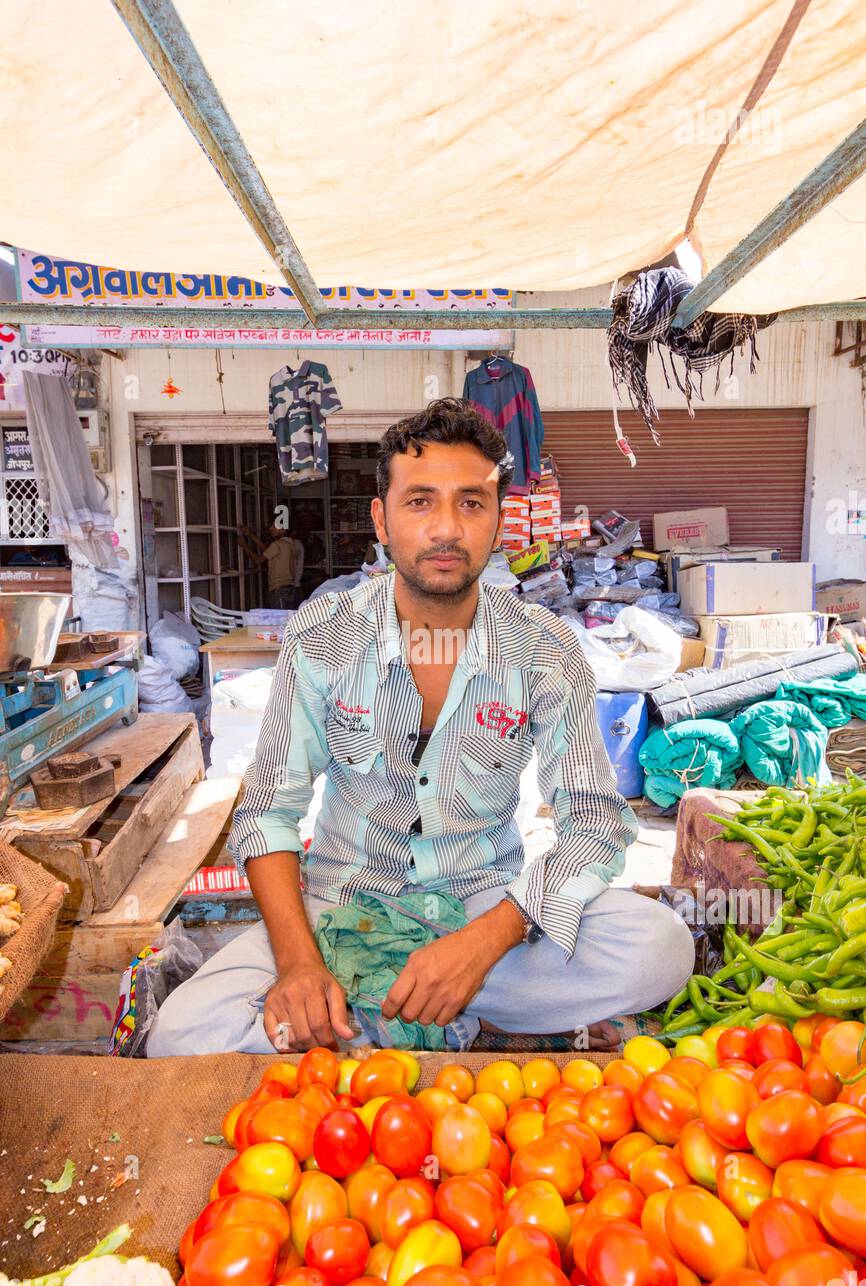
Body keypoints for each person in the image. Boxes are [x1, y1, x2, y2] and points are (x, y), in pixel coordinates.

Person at [149, 398, 693, 1058]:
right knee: (183, 1036)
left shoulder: (545, 647)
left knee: (659, 947)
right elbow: (267, 813)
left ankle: (395, 1025)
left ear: (499, 518)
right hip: (339, 910)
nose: (447, 529)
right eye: (420, 502)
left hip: (485, 914)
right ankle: (455, 1025)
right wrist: (298, 964)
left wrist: (485, 939)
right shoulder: (322, 638)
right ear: (382, 518)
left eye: (471, 503)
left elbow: (595, 823)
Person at [239, 520, 304, 607]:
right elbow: (268, 551)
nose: (270, 528)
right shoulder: (290, 544)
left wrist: (244, 546)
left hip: (279, 589)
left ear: (284, 529)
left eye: (274, 526)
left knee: (281, 618)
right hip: (289, 588)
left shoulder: (277, 544)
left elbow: (258, 560)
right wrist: (250, 535)